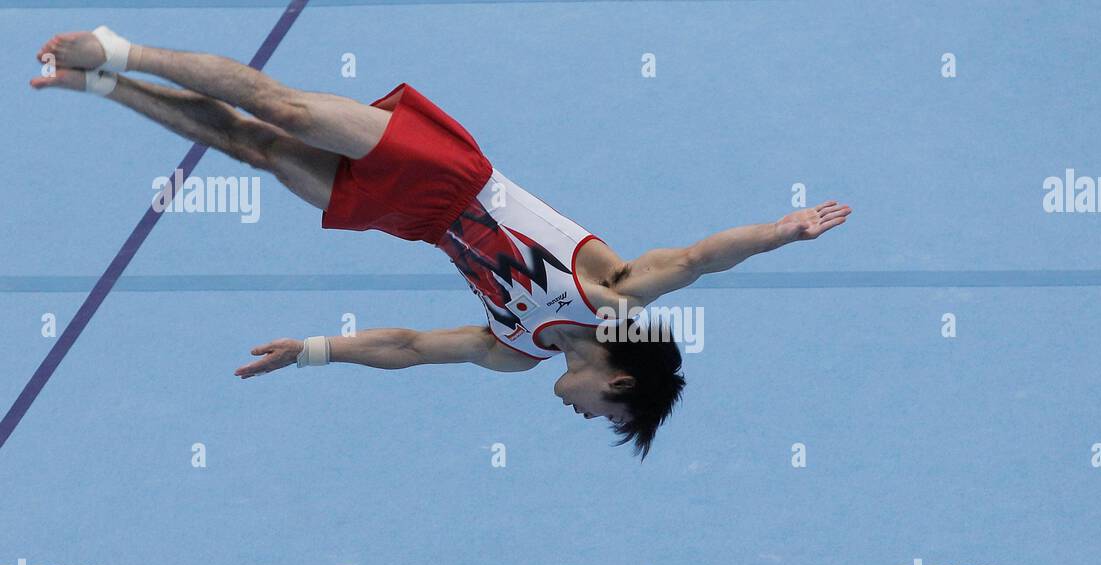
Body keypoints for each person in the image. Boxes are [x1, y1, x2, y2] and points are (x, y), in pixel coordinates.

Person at [32, 27, 852, 457]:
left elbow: (413, 345)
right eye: (608, 413)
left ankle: (107, 84)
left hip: (418, 221)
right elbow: (705, 256)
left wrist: (316, 349)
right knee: (280, 110)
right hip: (452, 173)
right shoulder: (614, 290)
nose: (587, 416)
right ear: (620, 378)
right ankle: (121, 48)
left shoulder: (514, 351)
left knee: (256, 150)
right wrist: (783, 231)